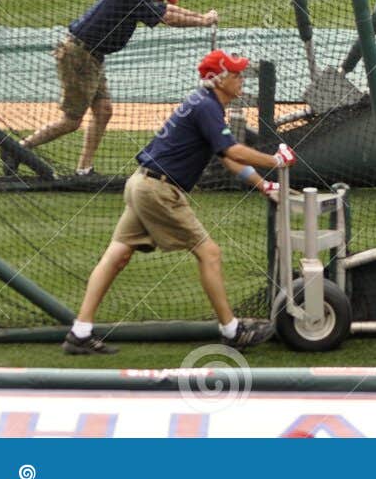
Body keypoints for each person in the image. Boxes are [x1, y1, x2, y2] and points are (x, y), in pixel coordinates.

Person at [61, 50, 294, 355]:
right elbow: (235, 151)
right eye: (236, 75)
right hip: (159, 191)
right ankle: (232, 330)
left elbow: (226, 158)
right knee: (209, 253)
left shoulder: (203, 103)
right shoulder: (206, 107)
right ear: (218, 79)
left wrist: (264, 185)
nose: (241, 80)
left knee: (117, 256)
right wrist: (276, 160)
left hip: (140, 185)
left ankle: (80, 332)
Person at [18, 0, 217, 176]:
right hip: (79, 56)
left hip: (91, 57)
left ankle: (83, 169)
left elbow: (169, 10)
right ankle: (19, 148)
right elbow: (169, 18)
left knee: (103, 110)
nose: (163, 0)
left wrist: (203, 17)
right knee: (72, 120)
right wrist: (203, 21)